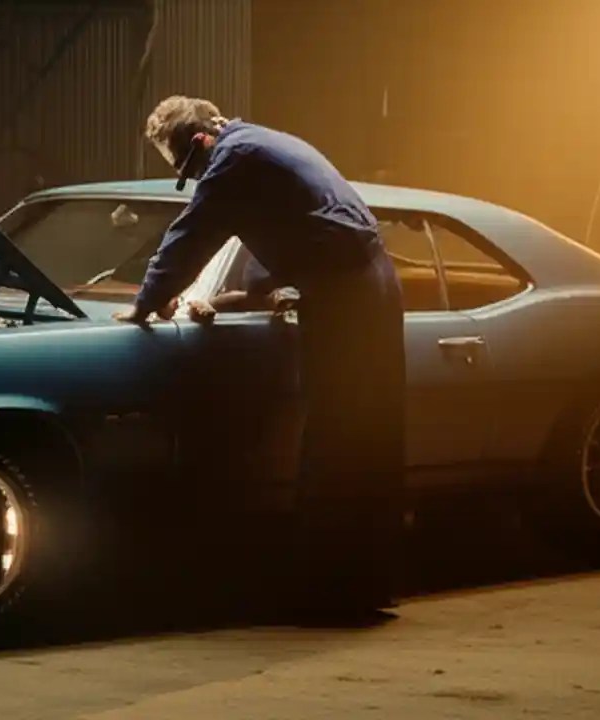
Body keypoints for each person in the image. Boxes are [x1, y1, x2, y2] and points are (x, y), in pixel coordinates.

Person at [115, 96, 406, 613]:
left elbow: (191, 233)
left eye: (190, 170)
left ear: (201, 141)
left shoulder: (233, 159)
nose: (197, 180)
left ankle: (331, 595)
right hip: (371, 282)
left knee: (337, 434)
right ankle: (363, 587)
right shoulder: (264, 144)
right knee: (368, 435)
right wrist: (247, 293)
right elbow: (277, 237)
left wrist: (146, 303)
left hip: (345, 292)